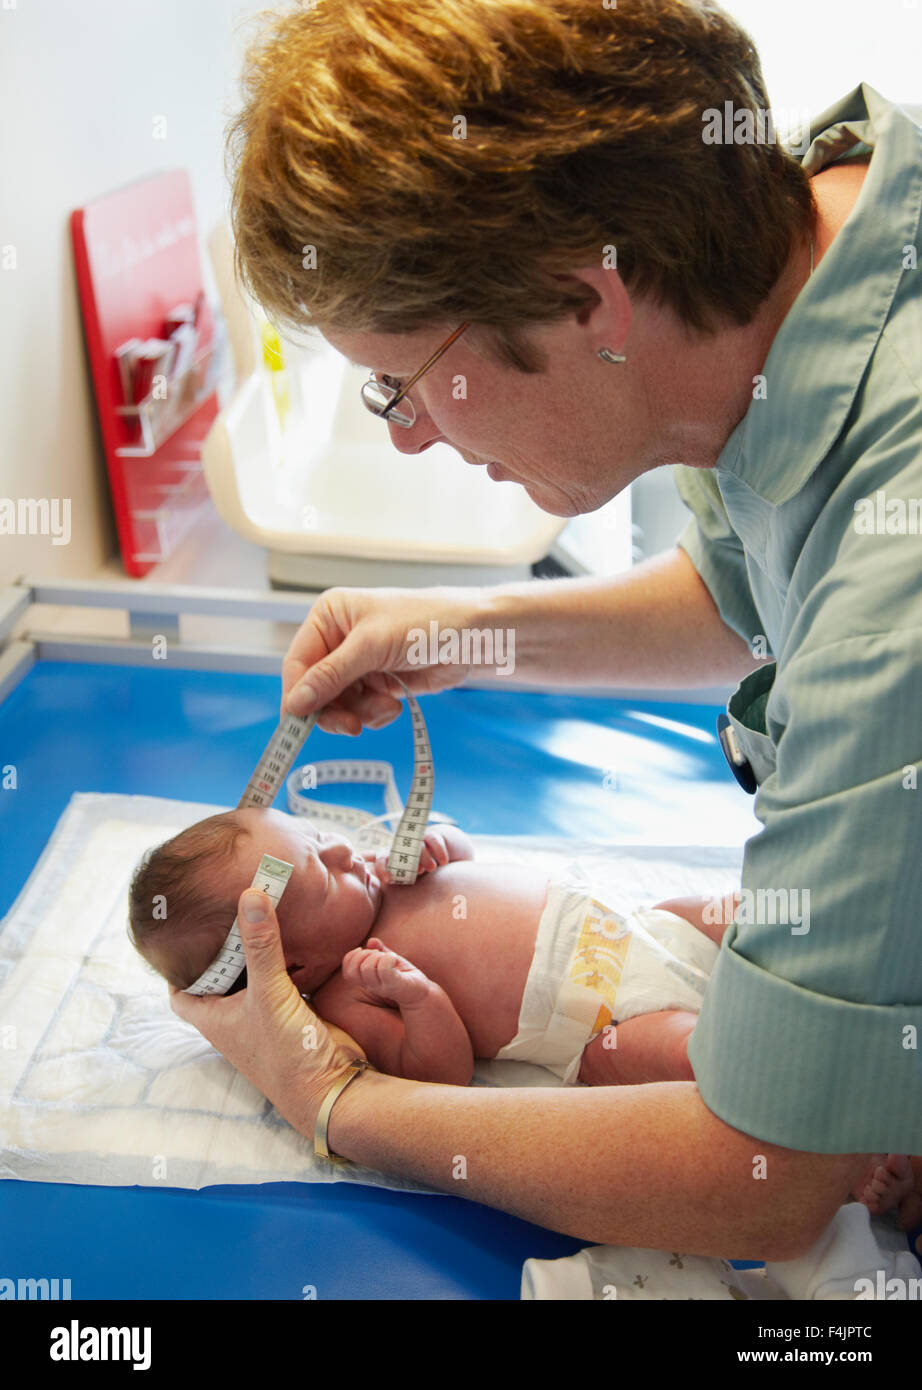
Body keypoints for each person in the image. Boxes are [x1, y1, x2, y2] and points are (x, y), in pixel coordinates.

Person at [171, 0, 922, 1261]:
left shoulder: (893, 580)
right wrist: (467, 634)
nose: (408, 435)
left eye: (401, 385)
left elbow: (767, 1177)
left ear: (588, 305)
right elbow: (747, 600)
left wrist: (341, 1101)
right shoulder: (781, 267)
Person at [131, 807, 737, 1086]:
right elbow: (442, 1072)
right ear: (289, 962)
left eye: (319, 837)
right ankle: (782, 1056)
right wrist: (418, 998)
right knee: (691, 1052)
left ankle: (814, 930)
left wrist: (439, 840)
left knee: (723, 912)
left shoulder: (382, 867)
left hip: (635, 926)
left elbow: (461, 843)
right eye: (324, 873)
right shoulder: (348, 996)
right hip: (601, 1021)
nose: (347, 851)